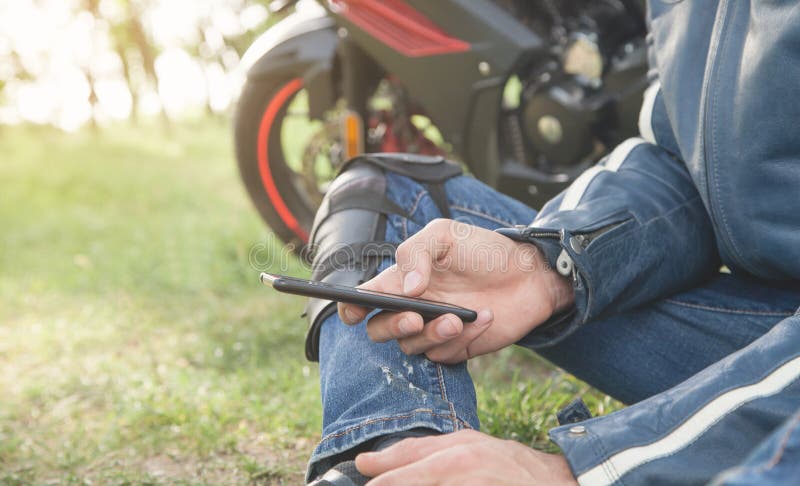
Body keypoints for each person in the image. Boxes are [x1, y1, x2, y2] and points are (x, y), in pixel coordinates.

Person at [303, 1, 800, 484]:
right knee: (382, 195)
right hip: (746, 328)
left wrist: (577, 468)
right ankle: (391, 456)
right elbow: (679, 166)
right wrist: (547, 265)